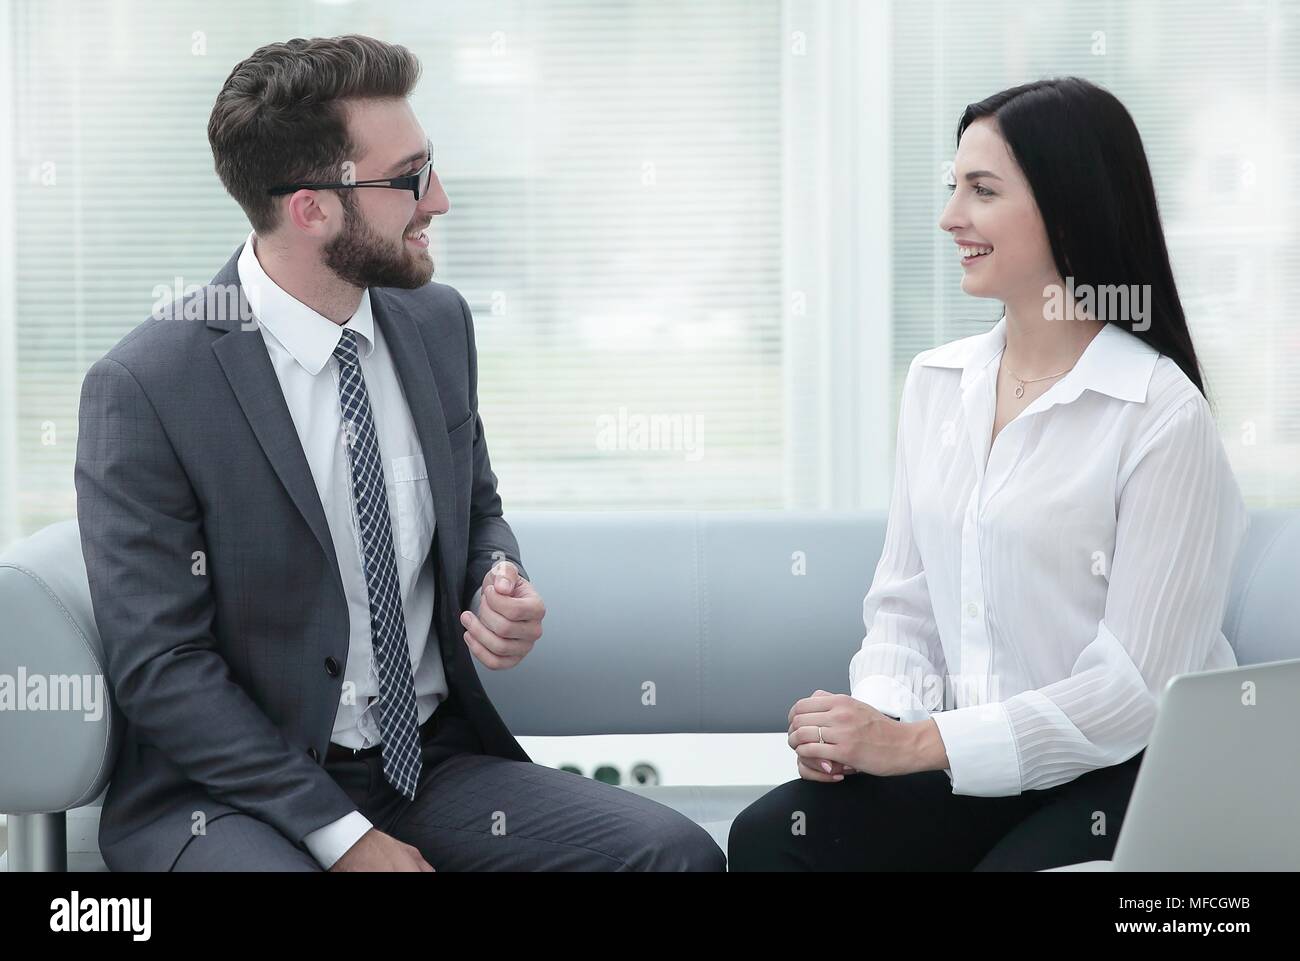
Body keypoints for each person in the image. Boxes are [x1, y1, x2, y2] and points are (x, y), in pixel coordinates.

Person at [74, 34, 724, 872]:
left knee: (675, 856)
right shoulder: (147, 385)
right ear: (311, 208)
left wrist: (498, 579)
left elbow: (477, 507)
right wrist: (344, 837)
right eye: (409, 178)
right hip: (231, 795)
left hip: (427, 764)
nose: (440, 200)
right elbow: (164, 668)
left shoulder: (436, 324)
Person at [727, 77, 1248, 871]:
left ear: (1067, 208)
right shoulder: (936, 383)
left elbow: (1135, 691)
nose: (950, 217)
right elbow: (905, 611)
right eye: (952, 188)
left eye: (982, 190)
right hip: (969, 755)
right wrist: (870, 724)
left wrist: (916, 743)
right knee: (774, 839)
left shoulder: (1161, 414)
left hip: (1126, 767)